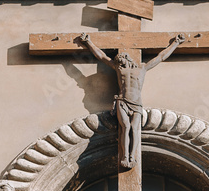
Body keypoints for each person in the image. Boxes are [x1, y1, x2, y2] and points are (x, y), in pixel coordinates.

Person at [77, 32, 187, 170]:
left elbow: (161, 57)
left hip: (136, 103)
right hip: (122, 101)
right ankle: (124, 156)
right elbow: (102, 56)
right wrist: (88, 43)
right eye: (118, 60)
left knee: (135, 129)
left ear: (127, 59)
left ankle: (132, 156)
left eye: (121, 59)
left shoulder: (142, 68)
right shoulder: (119, 69)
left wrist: (175, 43)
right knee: (125, 127)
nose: (119, 61)